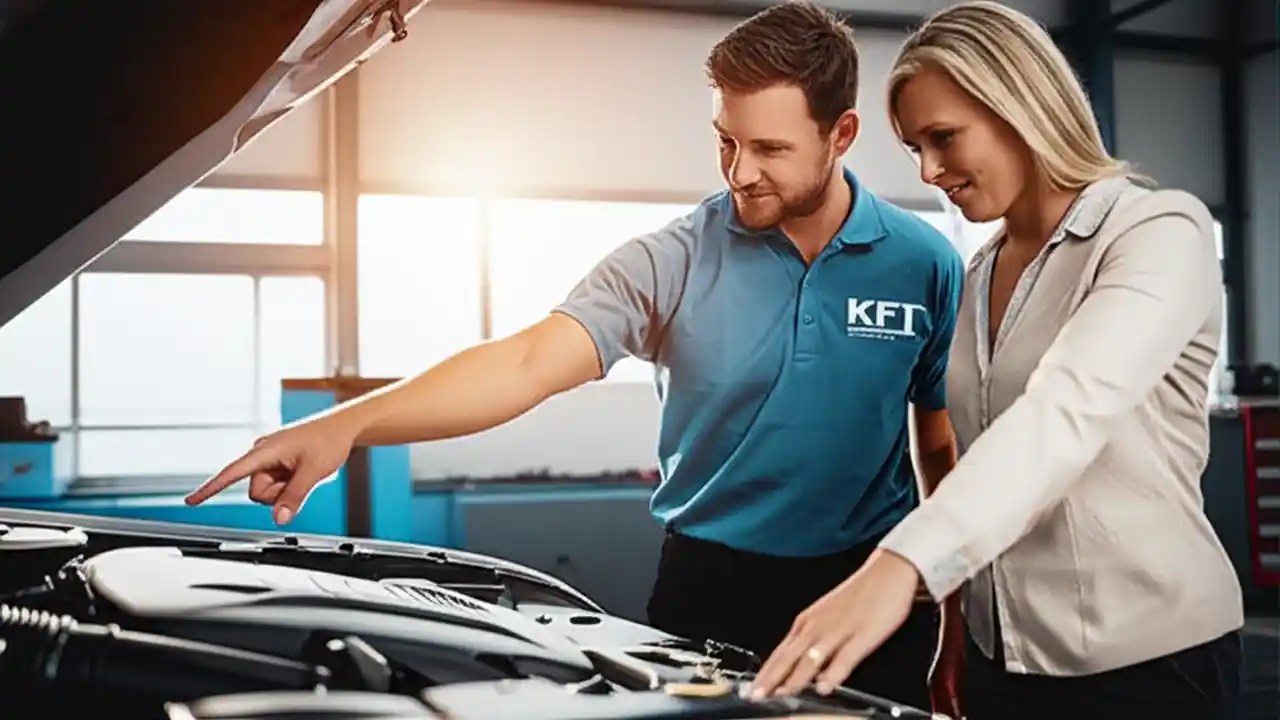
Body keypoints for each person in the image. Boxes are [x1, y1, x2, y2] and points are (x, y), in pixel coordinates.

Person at [184, 1, 967, 712]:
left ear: (842, 136)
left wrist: (951, 606)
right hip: (712, 590)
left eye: (769, 148)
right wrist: (349, 424)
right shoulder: (673, 259)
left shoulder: (924, 263)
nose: (738, 173)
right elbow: (526, 364)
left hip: (872, 588)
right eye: (725, 142)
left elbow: (938, 441)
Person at [747, 2, 1246, 718]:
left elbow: (1064, 412)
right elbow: (965, 457)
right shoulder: (977, 273)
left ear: (1021, 106)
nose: (929, 169)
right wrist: (957, 629)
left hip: (1151, 666)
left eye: (943, 138)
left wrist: (901, 565)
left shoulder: (1160, 229)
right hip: (1001, 663)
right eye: (915, 147)